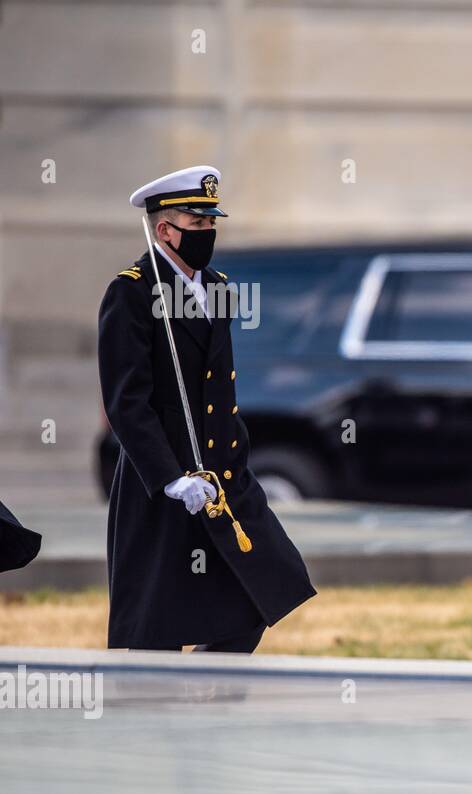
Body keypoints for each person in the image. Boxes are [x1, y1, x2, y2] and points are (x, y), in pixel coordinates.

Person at [97, 165, 315, 652]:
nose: (208, 232)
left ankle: (212, 697)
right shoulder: (132, 291)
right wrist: (171, 477)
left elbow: (218, 387)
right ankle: (162, 715)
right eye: (197, 225)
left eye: (212, 223)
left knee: (265, 588)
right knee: (158, 626)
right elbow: (126, 401)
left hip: (223, 475)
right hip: (167, 482)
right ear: (164, 230)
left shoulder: (216, 285)